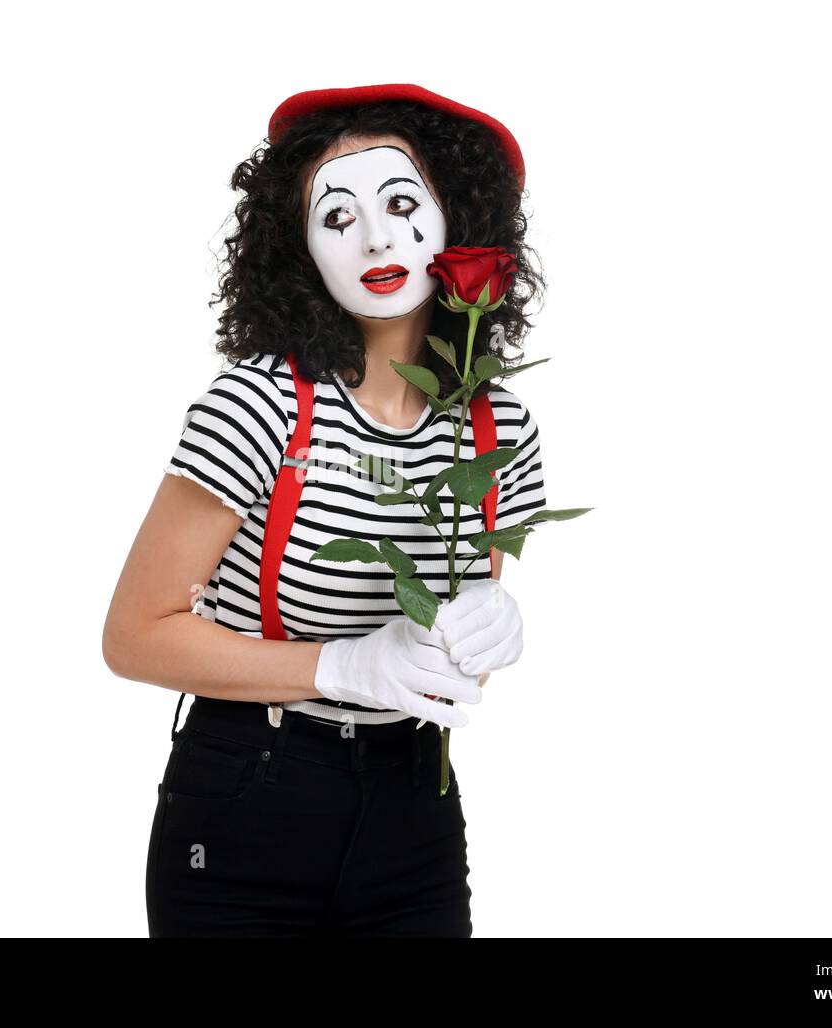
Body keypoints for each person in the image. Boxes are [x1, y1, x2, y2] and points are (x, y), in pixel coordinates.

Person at [102, 83, 549, 937]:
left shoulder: (501, 427)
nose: (376, 236)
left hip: (415, 801)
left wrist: (488, 631)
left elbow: (452, 661)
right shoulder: (258, 404)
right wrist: (338, 667)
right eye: (336, 217)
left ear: (459, 220)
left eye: (401, 202)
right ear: (298, 249)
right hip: (247, 792)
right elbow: (133, 634)